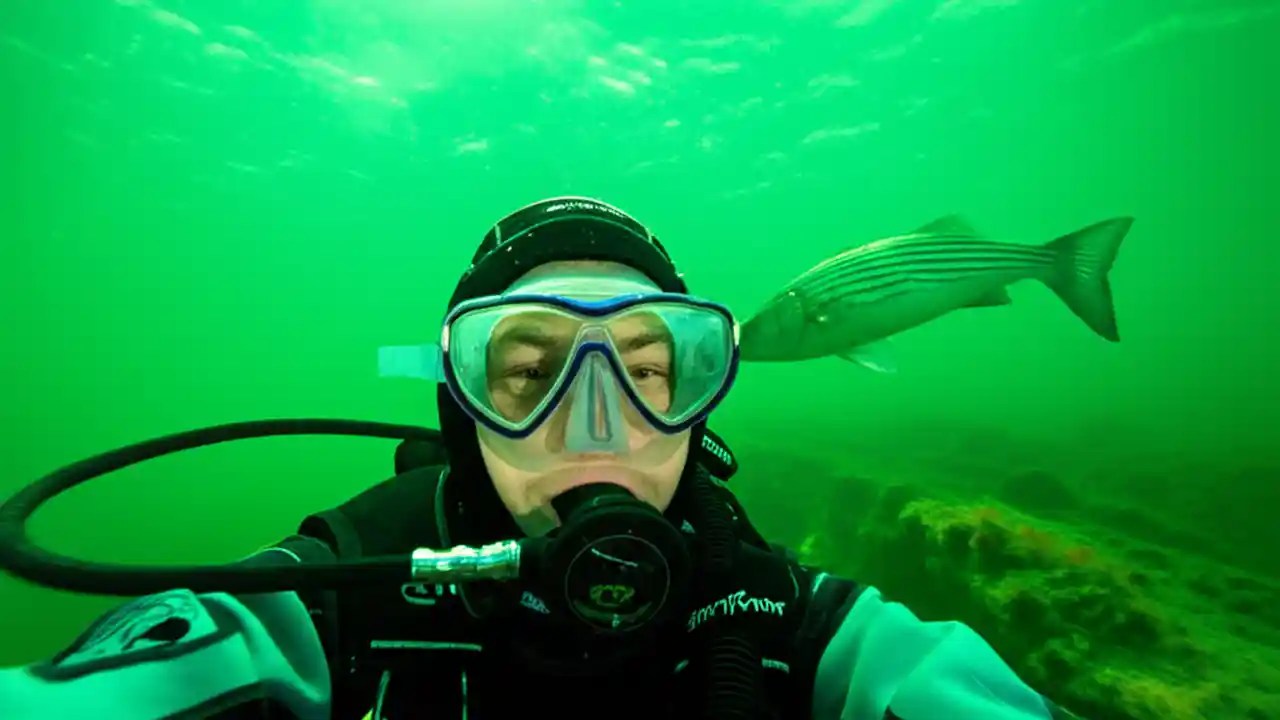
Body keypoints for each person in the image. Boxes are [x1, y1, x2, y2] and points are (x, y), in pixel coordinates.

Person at [0, 196, 1087, 720]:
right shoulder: (328, 603)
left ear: (701, 403)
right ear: (460, 406)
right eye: (527, 371)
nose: (598, 425)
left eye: (651, 371)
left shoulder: (800, 631)